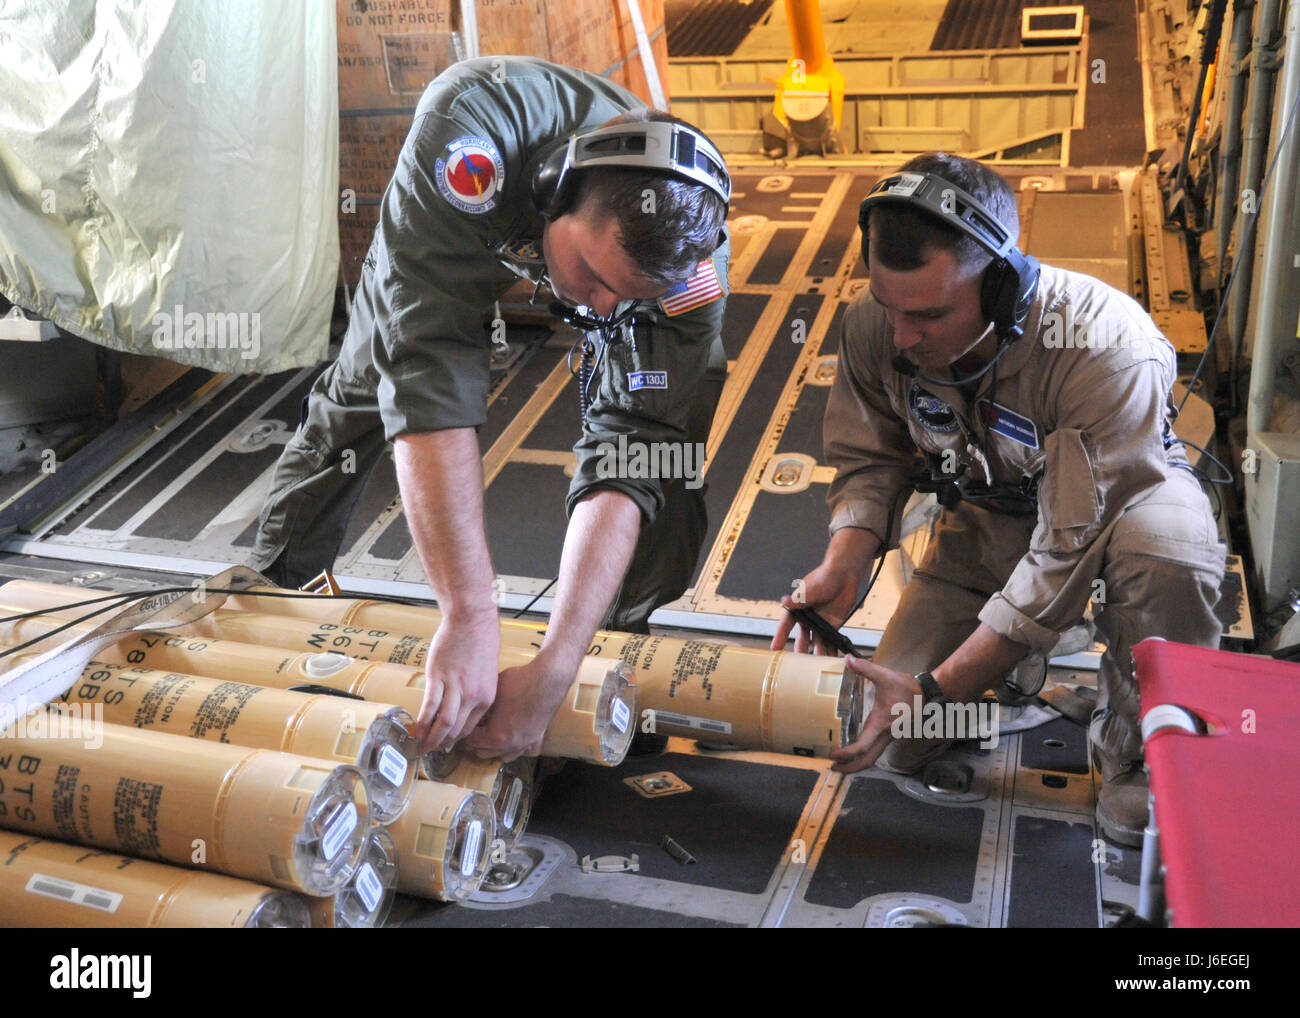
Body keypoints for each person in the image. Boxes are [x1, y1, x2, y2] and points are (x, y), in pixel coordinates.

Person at [249, 57, 730, 762]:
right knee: (357, 398)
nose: (598, 309)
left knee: (664, 456)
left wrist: (558, 664)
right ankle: (273, 600)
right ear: (553, 198)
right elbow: (428, 370)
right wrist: (469, 613)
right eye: (592, 278)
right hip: (456, 234)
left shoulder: (689, 280)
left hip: (610, 265)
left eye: (625, 297)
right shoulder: (467, 139)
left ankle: (618, 649)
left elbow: (632, 448)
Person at [772, 152, 1225, 847]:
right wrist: (845, 562)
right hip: (991, 519)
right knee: (895, 739)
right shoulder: (880, 323)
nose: (901, 338)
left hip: (1121, 505)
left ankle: (1137, 759)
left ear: (1004, 287)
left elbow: (1066, 549)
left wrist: (935, 685)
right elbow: (870, 460)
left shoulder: (1103, 347)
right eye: (888, 307)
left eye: (927, 313)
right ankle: (996, 671)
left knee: (1166, 550)